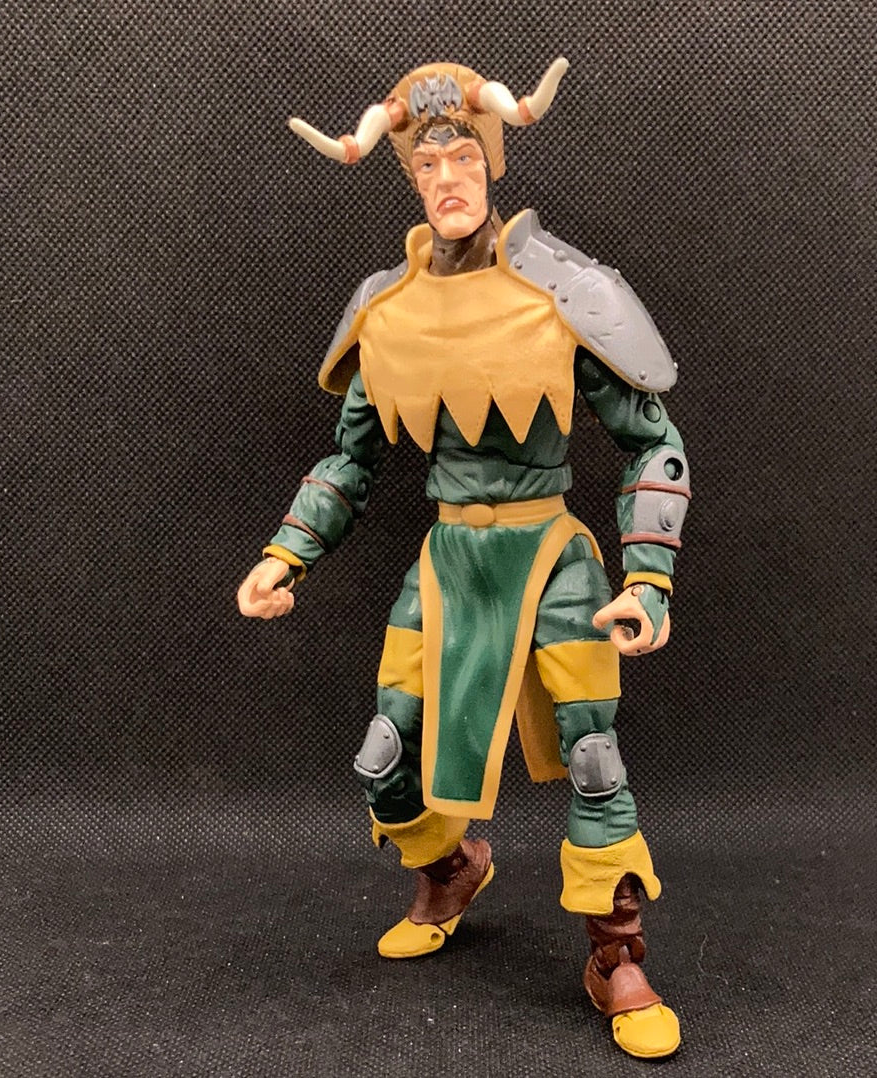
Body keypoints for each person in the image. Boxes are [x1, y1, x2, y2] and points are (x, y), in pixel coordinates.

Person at [237, 59, 689, 1060]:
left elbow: (652, 440)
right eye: (427, 163)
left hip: (553, 559)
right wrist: (287, 554)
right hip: (448, 565)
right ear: (411, 177)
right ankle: (450, 870)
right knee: (384, 753)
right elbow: (350, 460)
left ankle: (615, 952)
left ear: (491, 163)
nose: (447, 179)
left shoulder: (559, 292)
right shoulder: (388, 310)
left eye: (463, 158)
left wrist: (647, 579)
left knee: (594, 756)